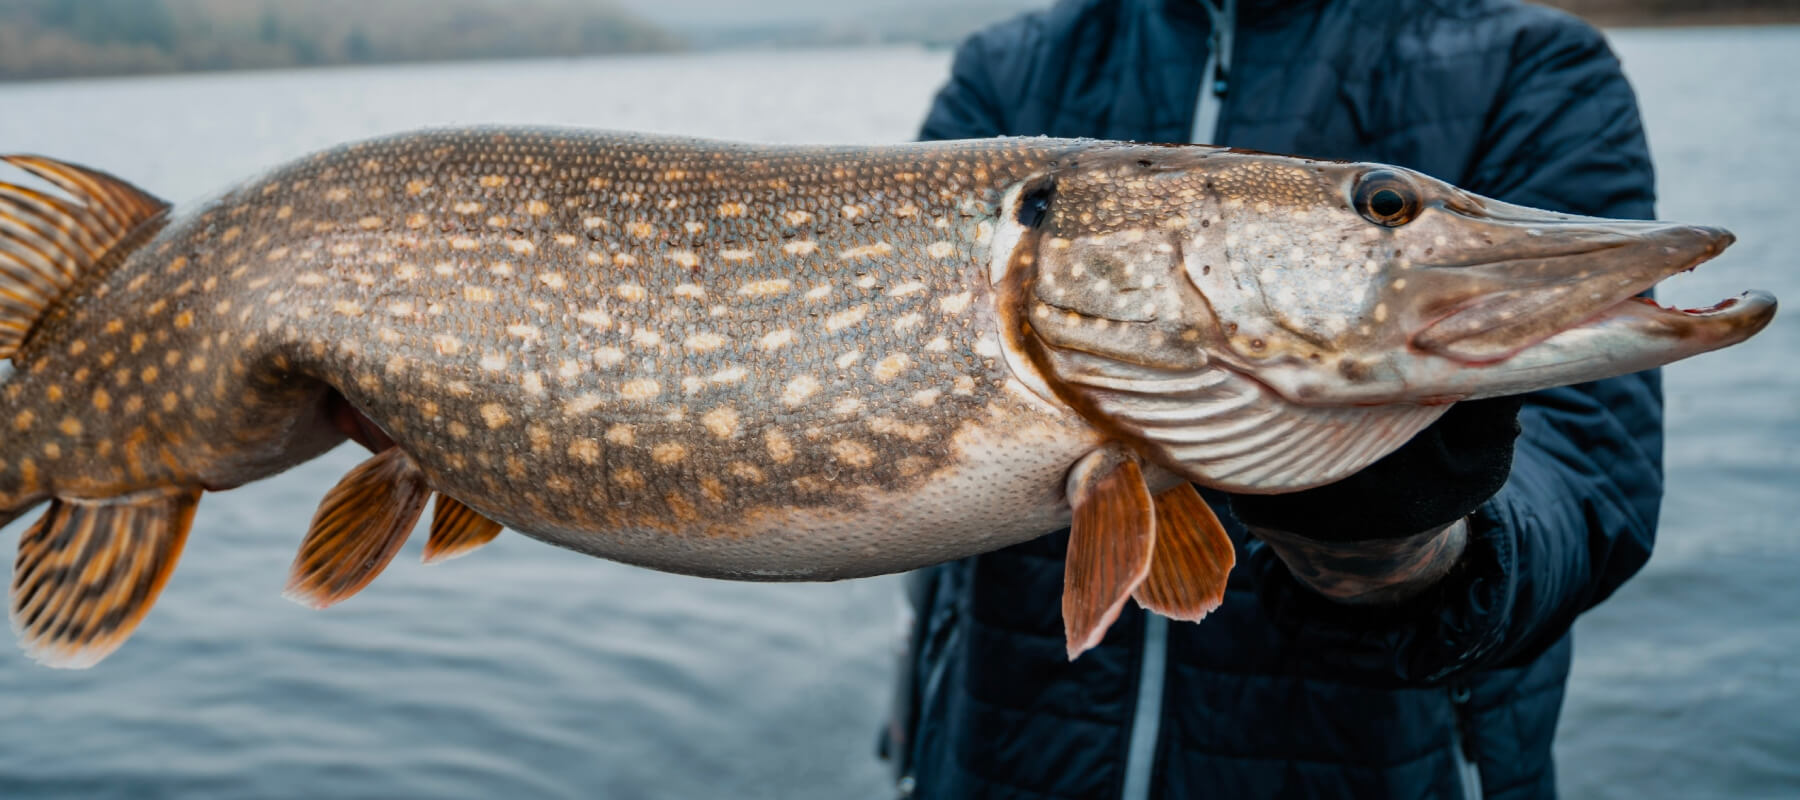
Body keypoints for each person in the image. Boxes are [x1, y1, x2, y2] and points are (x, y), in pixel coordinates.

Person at [879, 1, 1662, 798]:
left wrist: (1403, 538)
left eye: (1383, 207)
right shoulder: (1009, 67)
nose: (1386, 216)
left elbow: (1589, 489)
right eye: (1383, 208)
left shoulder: (1533, 64)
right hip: (1003, 759)